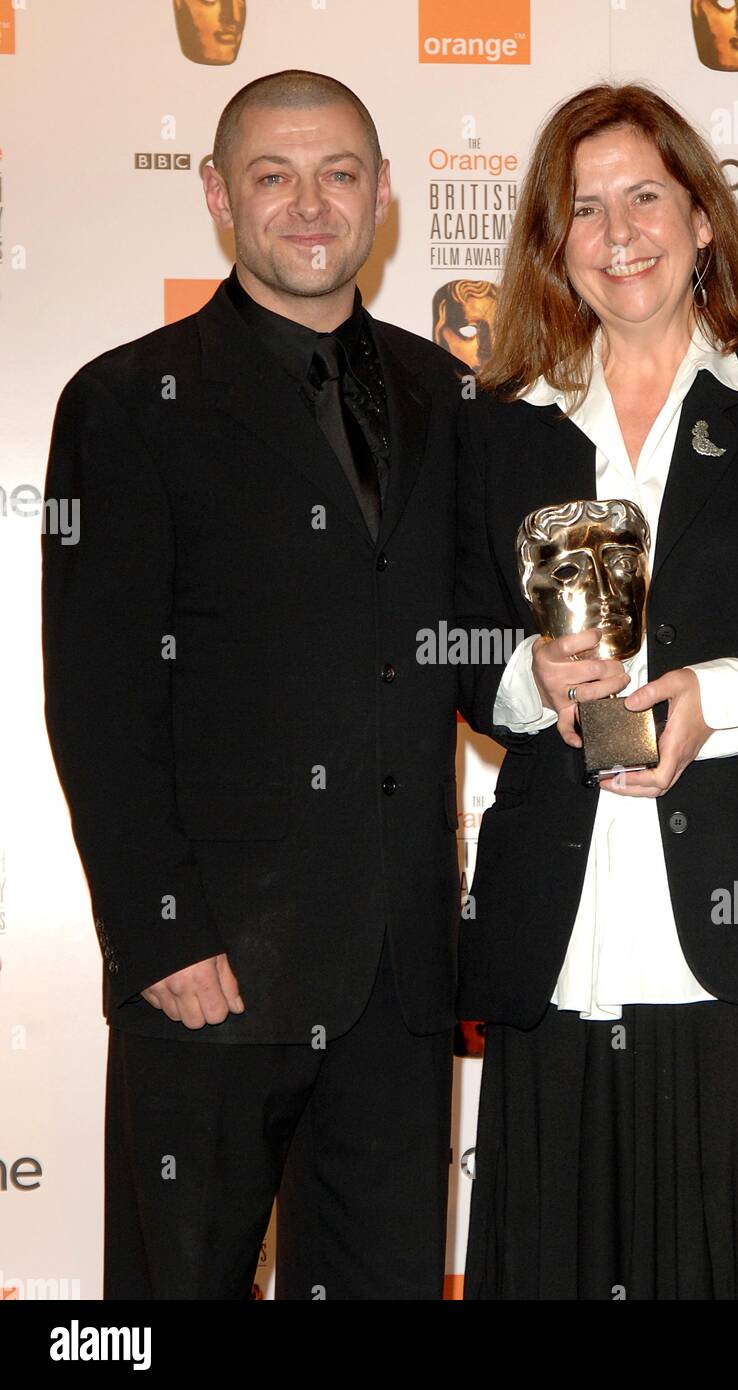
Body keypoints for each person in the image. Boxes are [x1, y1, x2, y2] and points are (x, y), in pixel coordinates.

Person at [455, 82, 738, 1300]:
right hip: (564, 931)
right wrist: (526, 675)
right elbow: (448, 650)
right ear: (553, 246)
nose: (620, 233)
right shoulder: (499, 429)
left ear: (703, 216)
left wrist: (719, 691)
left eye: (645, 196)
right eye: (584, 208)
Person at [42, 70, 465, 1300]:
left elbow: (467, 639)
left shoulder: (448, 396)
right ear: (220, 195)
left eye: (339, 172)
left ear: (383, 196)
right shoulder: (127, 401)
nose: (309, 204)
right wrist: (159, 927)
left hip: (397, 974)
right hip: (212, 969)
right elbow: (97, 693)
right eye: (272, 176)